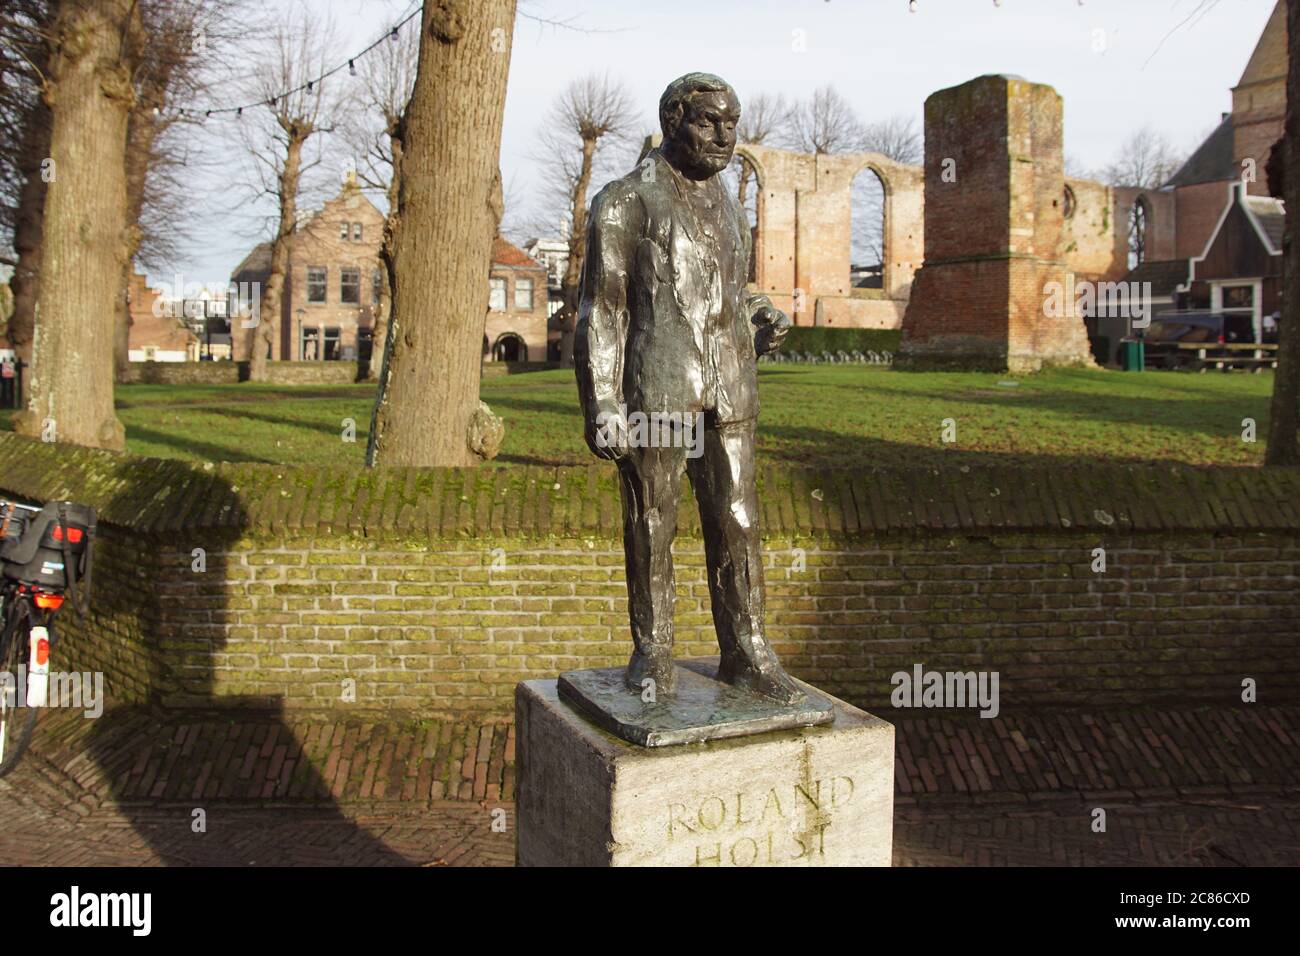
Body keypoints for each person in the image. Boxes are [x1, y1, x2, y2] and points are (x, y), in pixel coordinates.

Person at [575, 73, 803, 704]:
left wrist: (759, 316)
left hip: (729, 388)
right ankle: (653, 653)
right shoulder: (624, 201)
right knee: (652, 521)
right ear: (673, 121)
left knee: (738, 519)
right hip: (658, 389)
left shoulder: (729, 205)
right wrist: (603, 403)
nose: (724, 136)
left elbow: (729, 291)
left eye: (732, 124)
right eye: (708, 122)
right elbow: (602, 308)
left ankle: (746, 650)